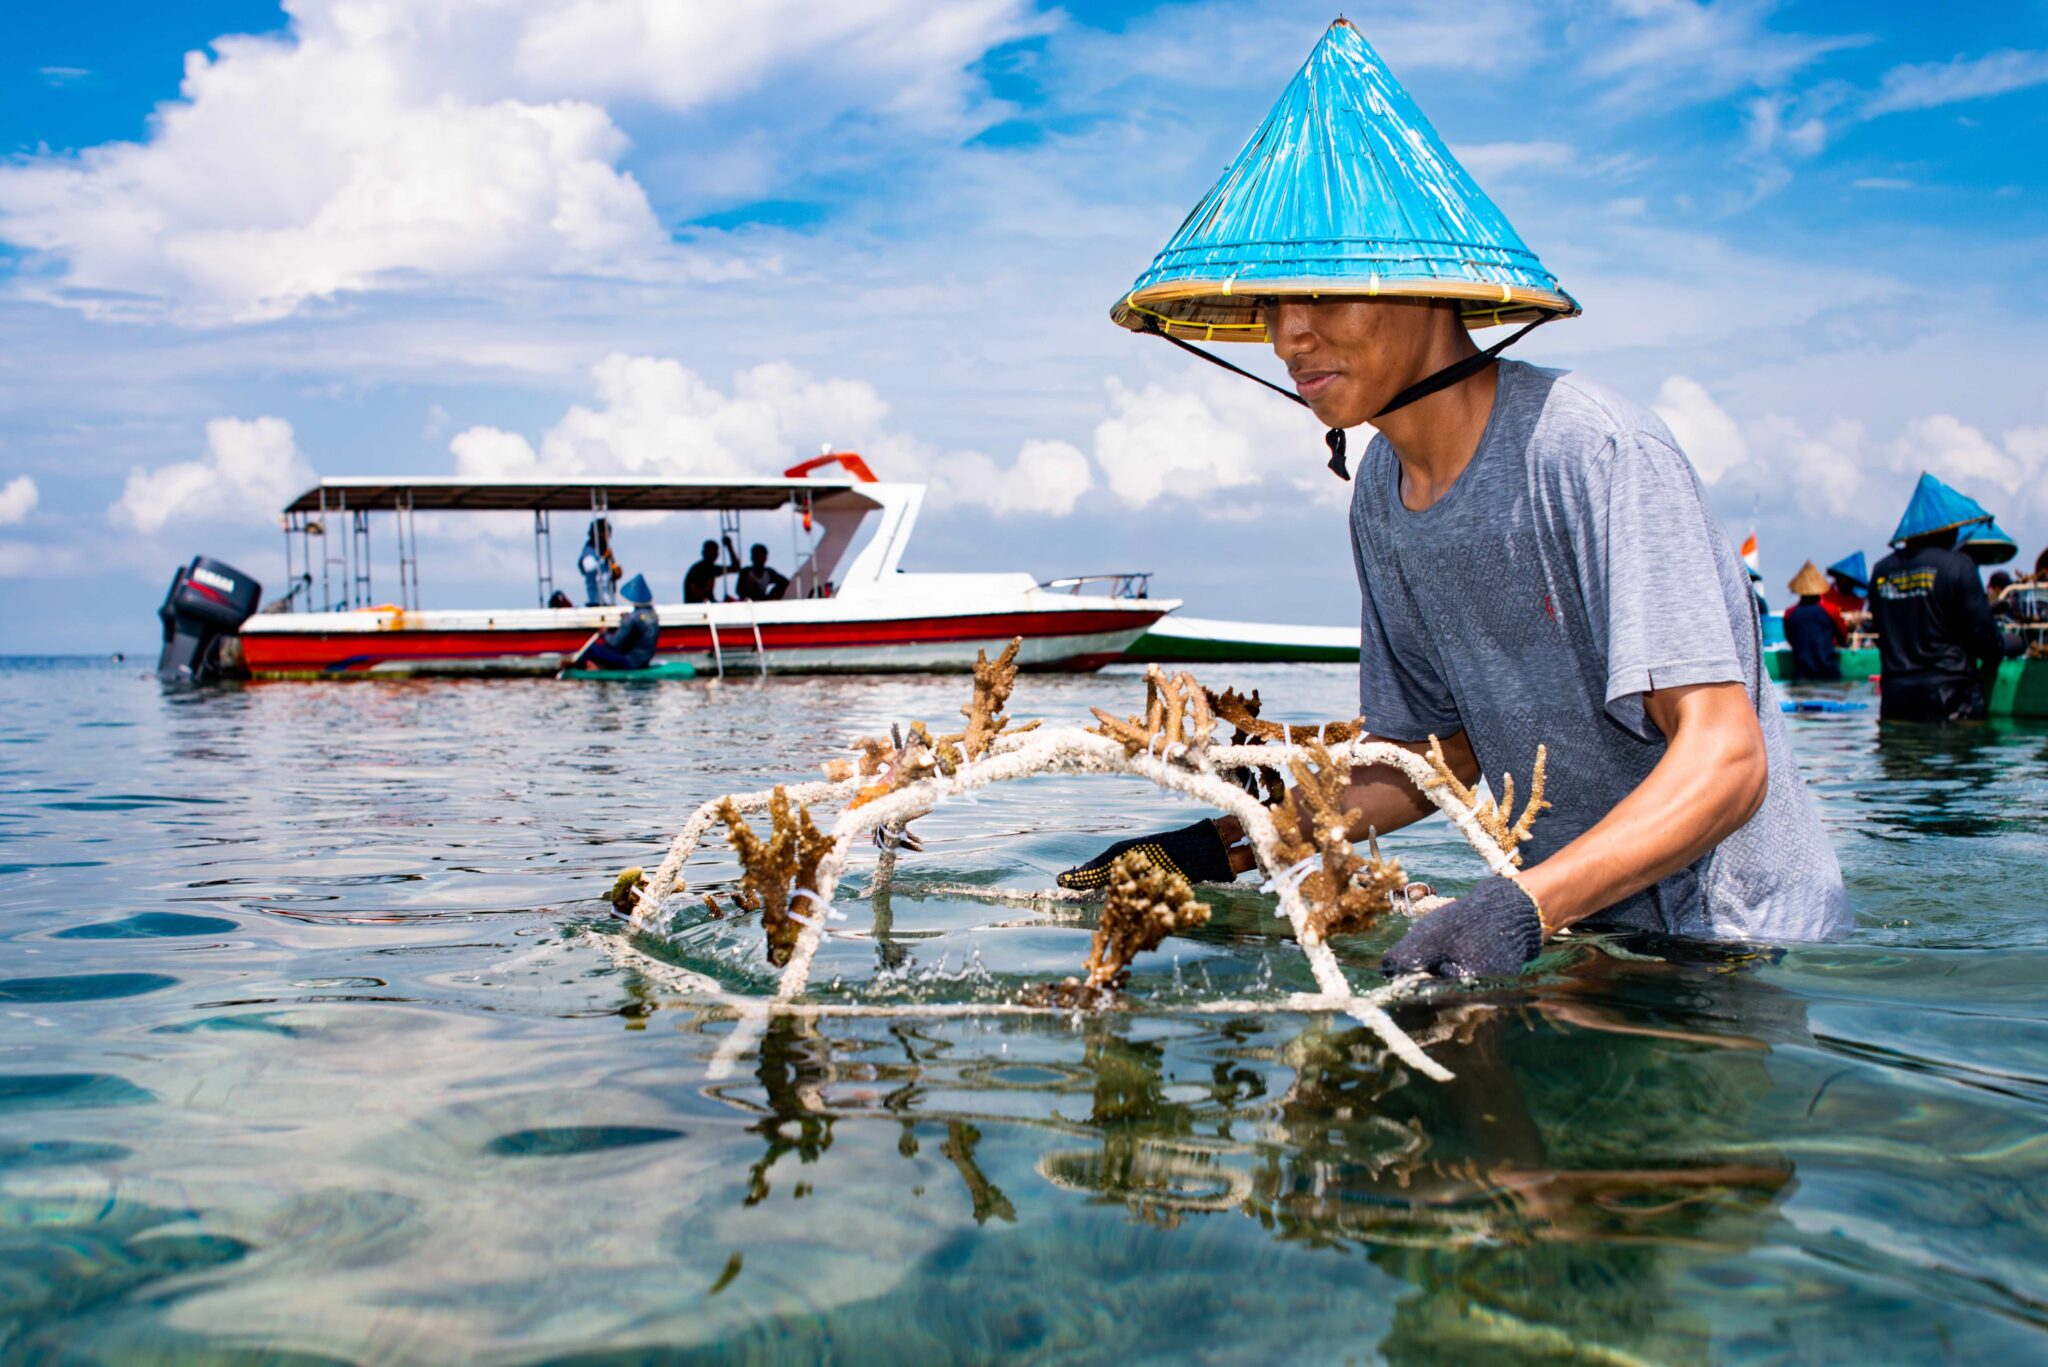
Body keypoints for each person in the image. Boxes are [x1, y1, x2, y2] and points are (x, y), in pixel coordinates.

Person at [1060, 17, 1849, 978]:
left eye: (1324, 293)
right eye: (1271, 304)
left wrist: (1520, 907)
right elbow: (1435, 756)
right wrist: (1215, 846)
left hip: (1739, 942)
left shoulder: (1594, 450)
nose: (1289, 335)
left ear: (1427, 287)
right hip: (1584, 927)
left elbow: (1727, 757)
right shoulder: (1380, 495)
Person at [1868, 475, 2007, 722]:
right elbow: (1983, 635)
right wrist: (2005, 646)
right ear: (1949, 529)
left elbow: (1878, 629)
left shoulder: (1881, 570)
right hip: (1950, 694)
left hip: (1895, 699)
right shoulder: (1959, 565)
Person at [575, 574, 660, 670]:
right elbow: (640, 623)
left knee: (593, 649)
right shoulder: (653, 614)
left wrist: (604, 633)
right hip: (644, 661)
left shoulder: (630, 619)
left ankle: (575, 667)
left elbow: (614, 643)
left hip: (630, 662)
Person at [1782, 562, 1844, 681]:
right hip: (1828, 671)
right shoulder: (1831, 610)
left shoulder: (1790, 613)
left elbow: (1790, 639)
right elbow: (1842, 636)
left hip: (1802, 673)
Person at [1821, 552, 1868, 634]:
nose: (1850, 584)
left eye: (1852, 582)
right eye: (1847, 580)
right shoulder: (1823, 596)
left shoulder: (1858, 601)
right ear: (1839, 578)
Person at [578, 519, 621, 607]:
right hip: (596, 601)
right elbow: (589, 567)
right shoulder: (589, 550)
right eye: (605, 533)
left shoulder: (604, 550)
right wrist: (604, 558)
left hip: (609, 600)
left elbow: (611, 571)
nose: (608, 537)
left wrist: (616, 570)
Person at [682, 539, 734, 604]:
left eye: (714, 552)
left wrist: (729, 546)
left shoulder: (710, 568)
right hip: (697, 606)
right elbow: (696, 591)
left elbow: (735, 568)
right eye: (711, 552)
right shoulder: (699, 569)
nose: (714, 554)